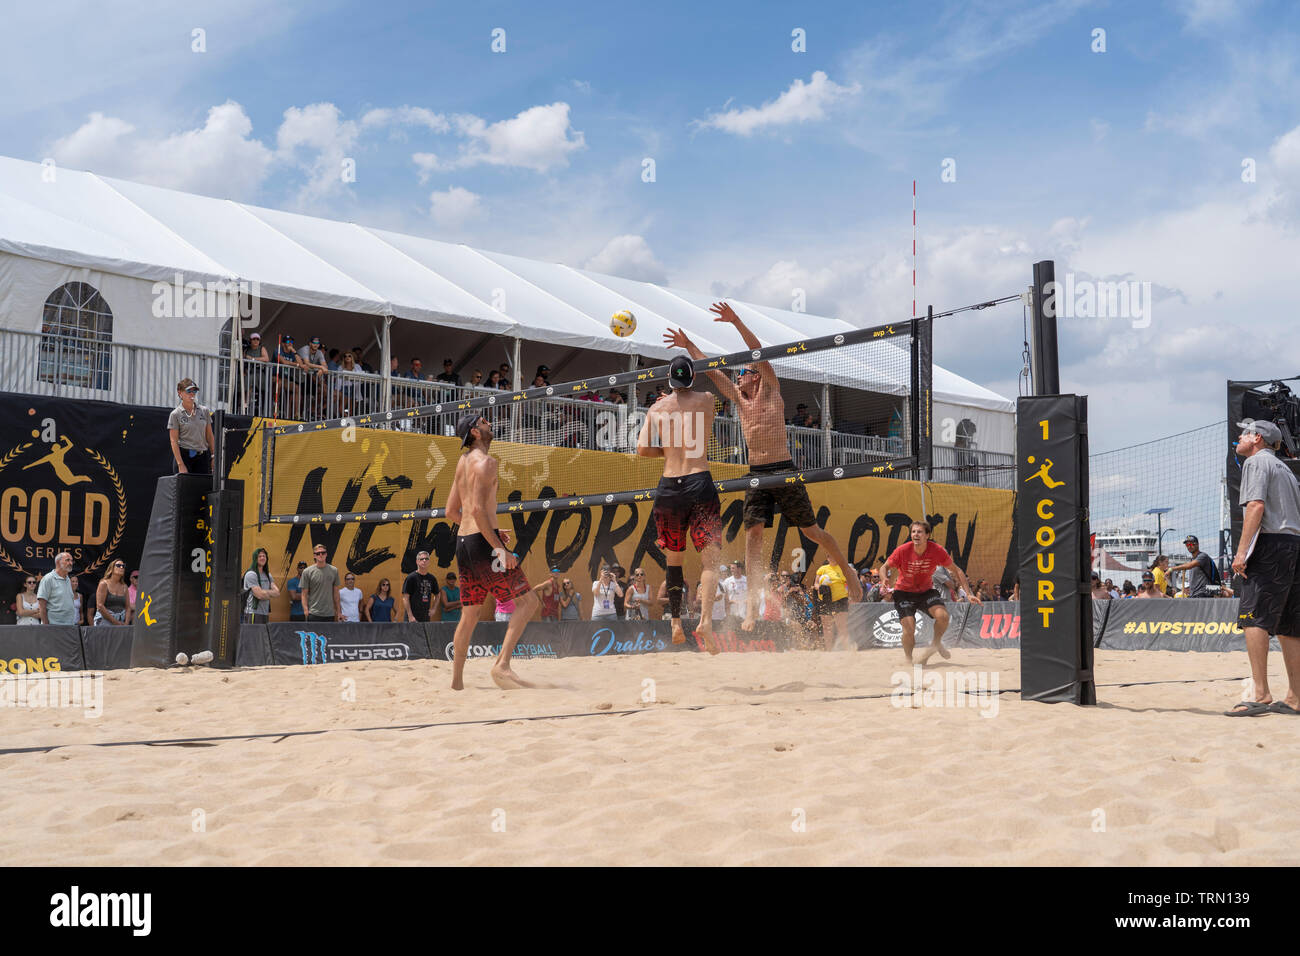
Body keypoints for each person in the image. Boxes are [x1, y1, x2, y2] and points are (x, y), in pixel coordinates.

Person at [666, 303, 861, 633]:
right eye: (738, 375)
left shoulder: (770, 390)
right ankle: (753, 608)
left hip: (784, 469)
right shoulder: (739, 400)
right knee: (753, 536)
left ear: (755, 376)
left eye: (743, 373)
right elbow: (712, 371)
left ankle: (849, 573)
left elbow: (757, 352)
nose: (738, 377)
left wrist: (736, 322)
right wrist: (689, 346)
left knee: (812, 532)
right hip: (757, 473)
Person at [446, 413, 540, 690]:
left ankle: (457, 683)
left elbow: (453, 512)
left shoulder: (462, 463)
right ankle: (502, 664)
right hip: (482, 545)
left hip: (464, 544)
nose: (490, 423)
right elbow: (476, 509)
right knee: (528, 602)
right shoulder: (486, 463)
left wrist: (490, 532)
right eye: (484, 421)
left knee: (470, 614)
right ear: (475, 432)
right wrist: (499, 548)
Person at [637, 354, 723, 651]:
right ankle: (706, 621)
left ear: (670, 381)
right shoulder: (707, 399)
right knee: (710, 559)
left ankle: (675, 622)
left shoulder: (656, 408)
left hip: (669, 486)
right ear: (692, 378)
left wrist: (671, 450)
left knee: (674, 560)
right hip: (699, 480)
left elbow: (642, 450)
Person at [1226, 419, 1300, 716]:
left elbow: (1255, 506)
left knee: (1253, 617)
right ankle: (1295, 698)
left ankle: (1260, 692)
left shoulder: (1256, 463)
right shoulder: (1286, 469)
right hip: (1294, 544)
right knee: (1290, 625)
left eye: (1243, 433)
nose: (1239, 438)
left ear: (1257, 438)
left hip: (1271, 544)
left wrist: (1241, 552)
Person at [883, 521, 981, 665]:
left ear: (927, 535)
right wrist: (884, 579)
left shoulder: (937, 550)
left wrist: (968, 593)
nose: (916, 534)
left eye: (920, 532)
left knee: (943, 617)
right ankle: (909, 659)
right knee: (909, 630)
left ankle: (935, 644)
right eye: (913, 532)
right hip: (904, 592)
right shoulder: (903, 550)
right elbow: (884, 567)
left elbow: (957, 570)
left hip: (926, 591)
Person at [168, 378, 215, 475]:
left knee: (203, 489)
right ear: (180, 393)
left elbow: (210, 436)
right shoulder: (175, 414)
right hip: (184, 456)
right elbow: (174, 441)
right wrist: (181, 464)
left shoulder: (204, 411)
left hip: (202, 456)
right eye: (189, 391)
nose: (192, 393)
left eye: (194, 391)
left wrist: (214, 457)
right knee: (184, 490)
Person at [814, 556, 853, 651]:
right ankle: (829, 650)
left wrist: (849, 597)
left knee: (841, 626)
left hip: (840, 599)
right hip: (825, 599)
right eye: (830, 556)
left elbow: (849, 584)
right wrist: (819, 587)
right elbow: (815, 584)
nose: (833, 557)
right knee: (827, 627)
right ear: (827, 558)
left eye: (833, 555)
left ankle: (847, 649)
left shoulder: (842, 568)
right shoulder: (822, 569)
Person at [299, 544, 341, 622]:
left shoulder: (334, 570)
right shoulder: (307, 572)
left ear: (326, 554)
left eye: (323, 552)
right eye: (318, 553)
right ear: (314, 556)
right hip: (313, 613)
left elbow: (336, 593)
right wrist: (305, 611)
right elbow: (304, 594)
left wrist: (339, 612)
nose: (320, 555)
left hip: (329, 614)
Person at [37, 552, 77, 625]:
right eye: (67, 560)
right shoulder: (48, 579)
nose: (70, 563)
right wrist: (46, 626)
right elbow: (41, 606)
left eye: (72, 561)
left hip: (69, 626)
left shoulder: (68, 579)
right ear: (58, 562)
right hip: (53, 627)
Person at [242, 547, 279, 624]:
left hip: (265, 613)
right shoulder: (251, 574)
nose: (262, 558)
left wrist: (264, 593)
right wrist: (269, 594)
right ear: (255, 558)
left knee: (262, 636)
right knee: (253, 635)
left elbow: (277, 592)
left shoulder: (268, 575)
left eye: (264, 556)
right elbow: (259, 595)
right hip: (253, 613)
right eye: (259, 556)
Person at [403, 552, 440, 622]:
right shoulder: (411, 578)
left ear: (429, 561)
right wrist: (410, 616)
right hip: (412, 618)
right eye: (421, 559)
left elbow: (437, 595)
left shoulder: (432, 578)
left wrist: (434, 609)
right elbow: (405, 598)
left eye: (426, 559)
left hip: (425, 617)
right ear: (417, 561)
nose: (424, 561)